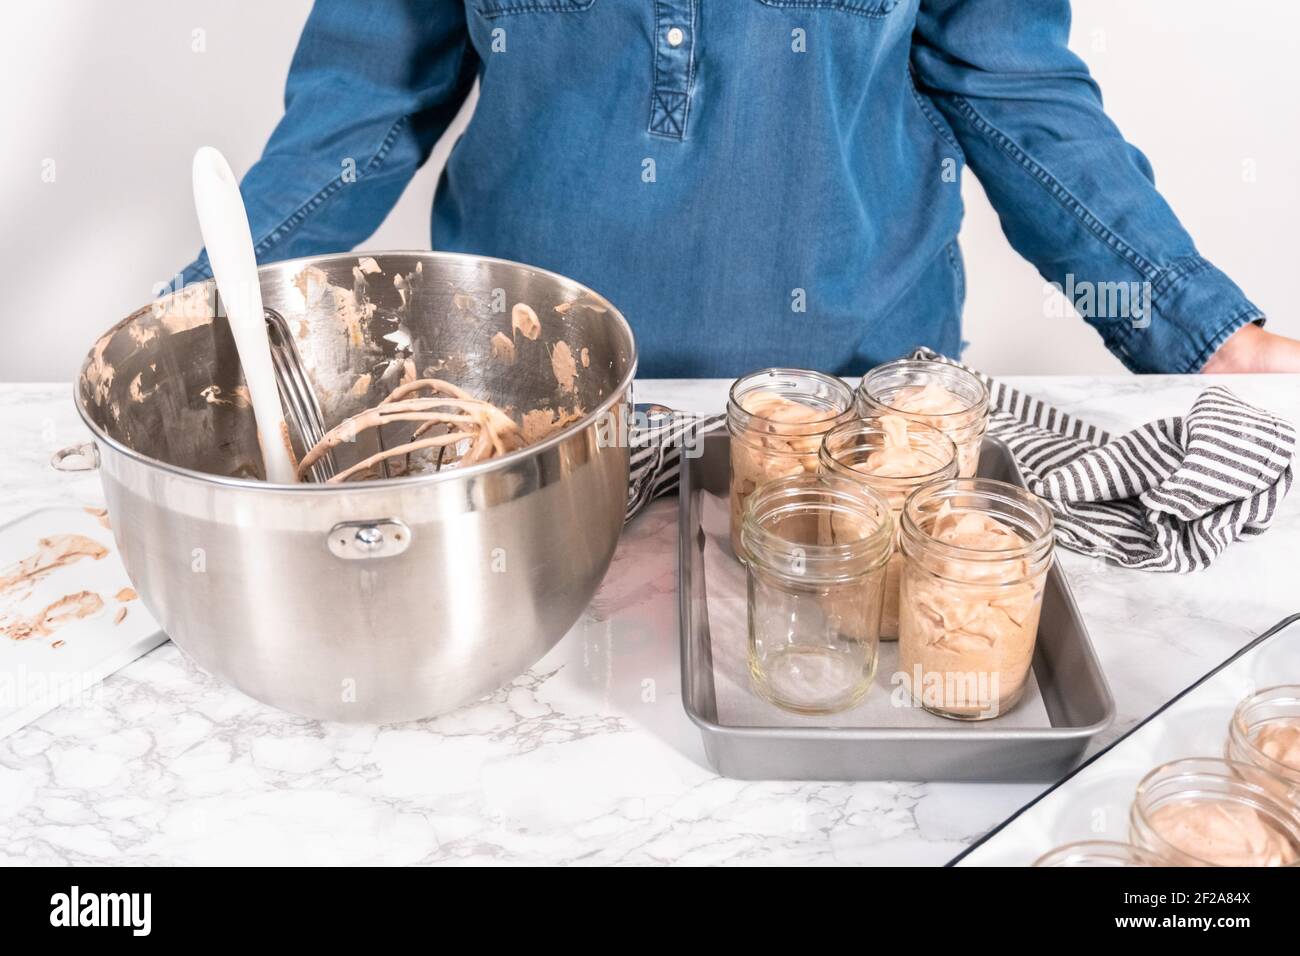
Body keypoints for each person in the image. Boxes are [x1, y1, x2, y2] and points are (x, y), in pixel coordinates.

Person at [180, 0, 1300, 377]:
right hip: (524, 429)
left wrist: (1202, 328)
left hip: (872, 423)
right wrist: (194, 312)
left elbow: (1011, 92)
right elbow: (367, 106)